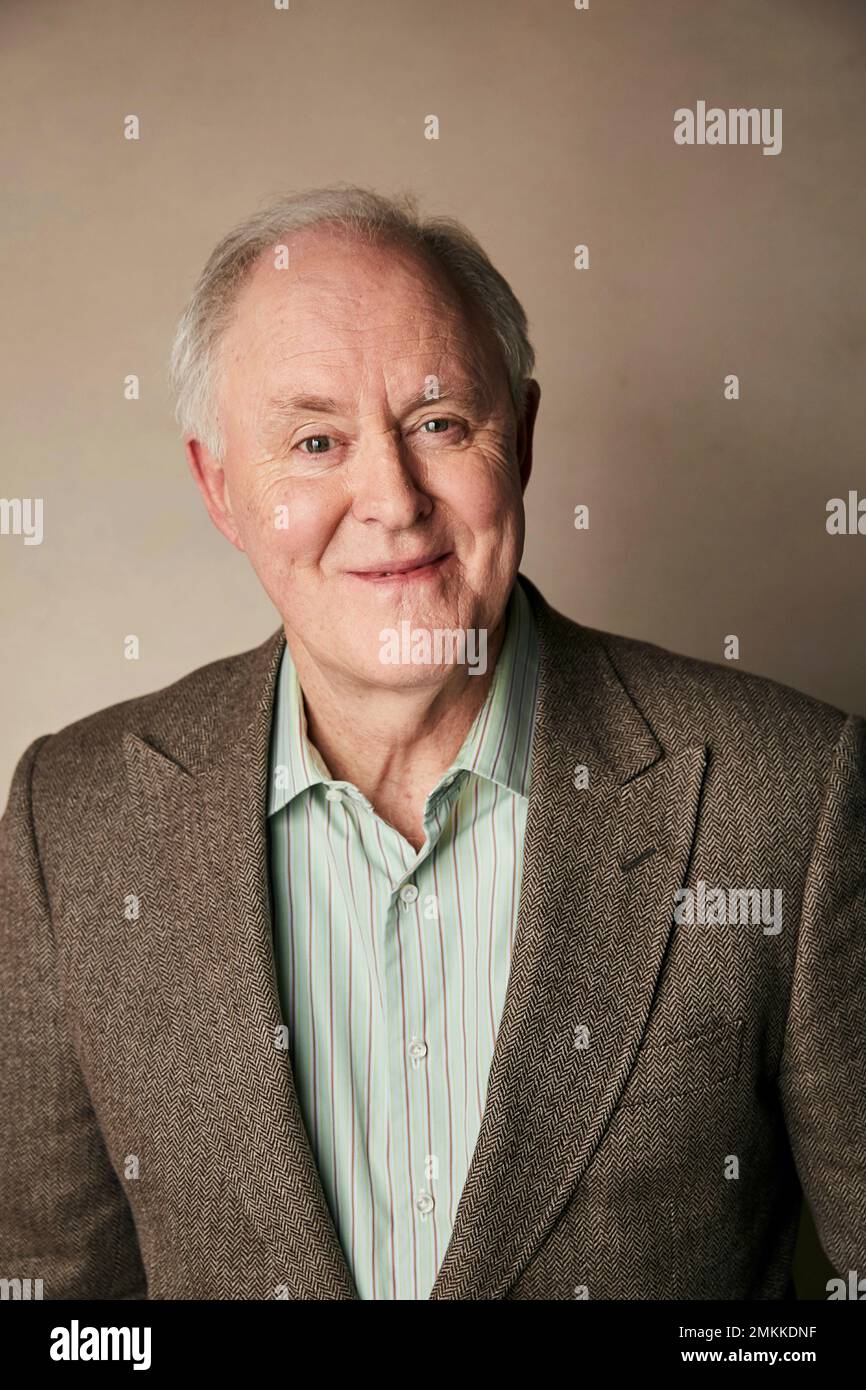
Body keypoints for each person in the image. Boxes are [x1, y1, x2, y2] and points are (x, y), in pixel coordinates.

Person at [1, 186, 863, 1300]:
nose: (391, 499)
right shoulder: (70, 826)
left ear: (525, 438)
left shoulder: (791, 798)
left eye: (438, 424)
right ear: (219, 486)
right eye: (315, 441)